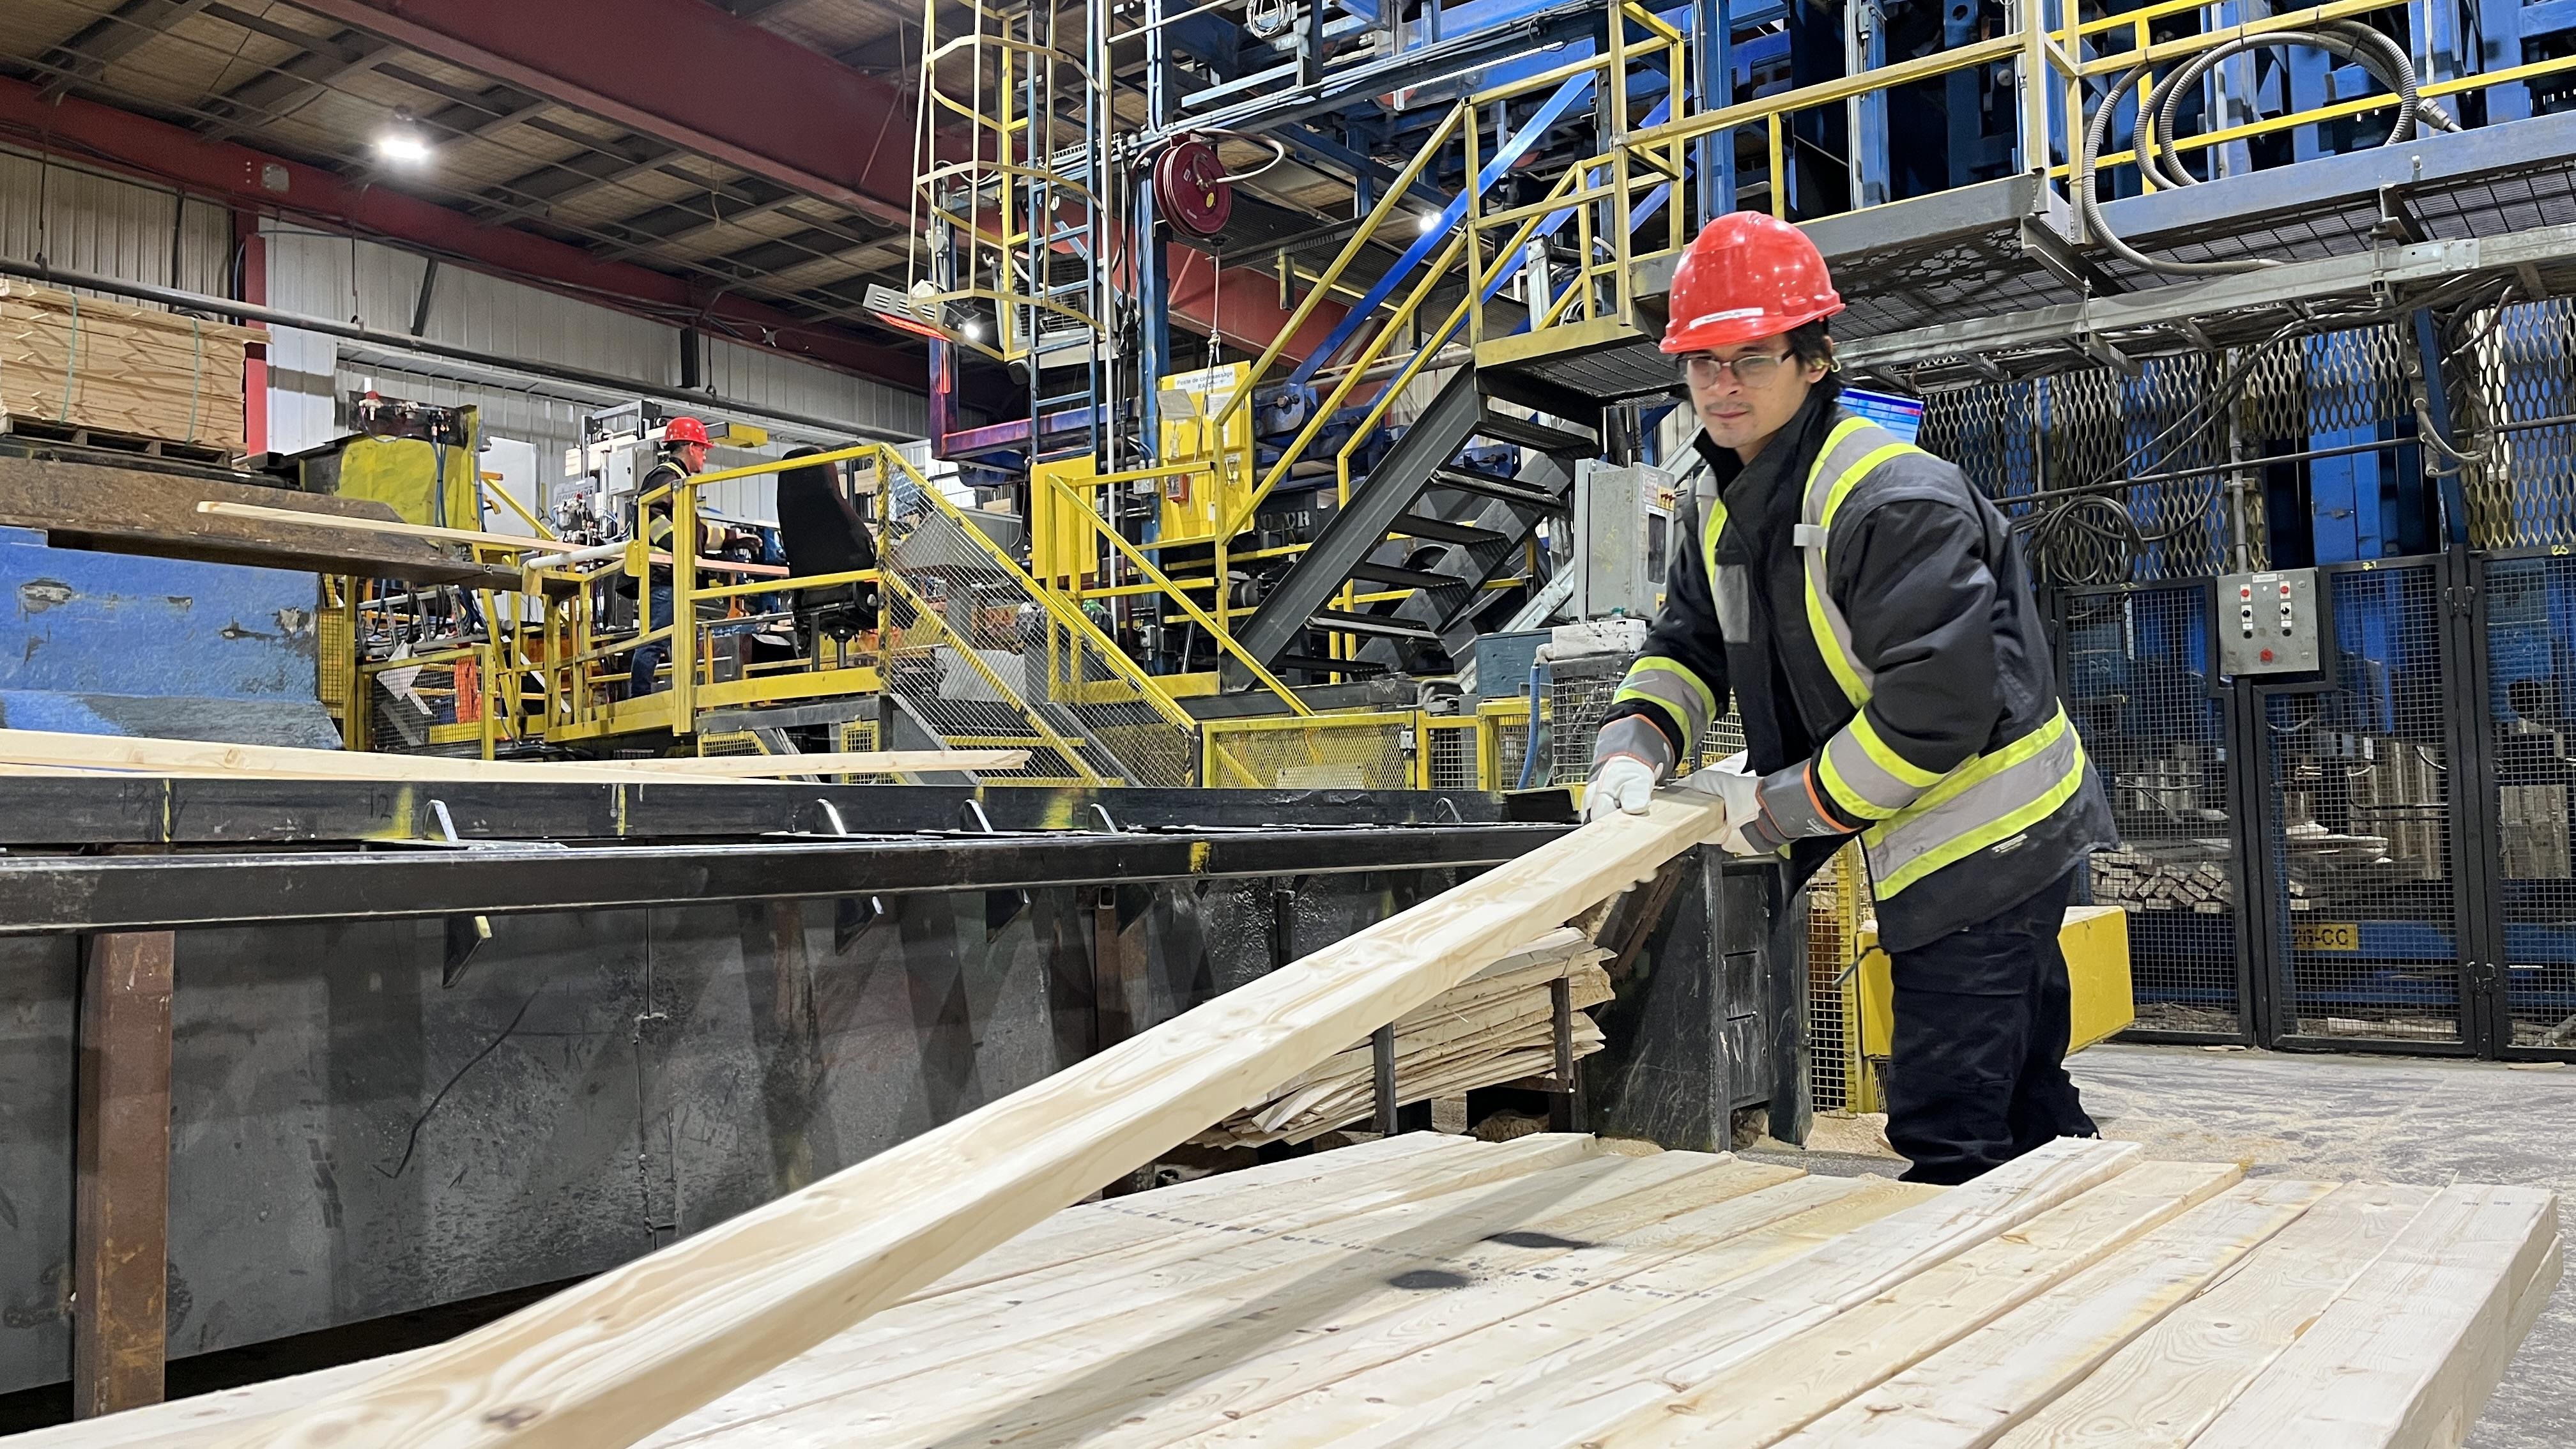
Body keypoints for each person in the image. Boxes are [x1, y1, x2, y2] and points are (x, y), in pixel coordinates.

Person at [1584, 211, 2118, 1186]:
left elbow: (1935, 712)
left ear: (1815, 360)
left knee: (1949, 1117)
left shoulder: (1887, 498)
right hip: (1932, 822)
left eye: (1751, 358)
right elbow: (1688, 647)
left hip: (1988, 834)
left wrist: (1772, 810)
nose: (1722, 385)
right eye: (1701, 362)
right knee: (2020, 1089)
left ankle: (1976, 1265)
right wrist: (1635, 742)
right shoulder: (1718, 502)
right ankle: (2073, 1204)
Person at [627, 416, 713, 696]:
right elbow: (651, 517)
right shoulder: (666, 477)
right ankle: (639, 698)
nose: (705, 455)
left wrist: (737, 539)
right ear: (690, 447)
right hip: (664, 577)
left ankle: (683, 697)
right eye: (703, 449)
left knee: (680, 639)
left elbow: (697, 534)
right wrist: (679, 546)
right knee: (656, 640)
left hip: (674, 577)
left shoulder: (680, 483)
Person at [773, 445, 880, 659]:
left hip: (807, 597)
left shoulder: (791, 510)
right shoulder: (833, 506)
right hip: (851, 593)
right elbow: (864, 550)